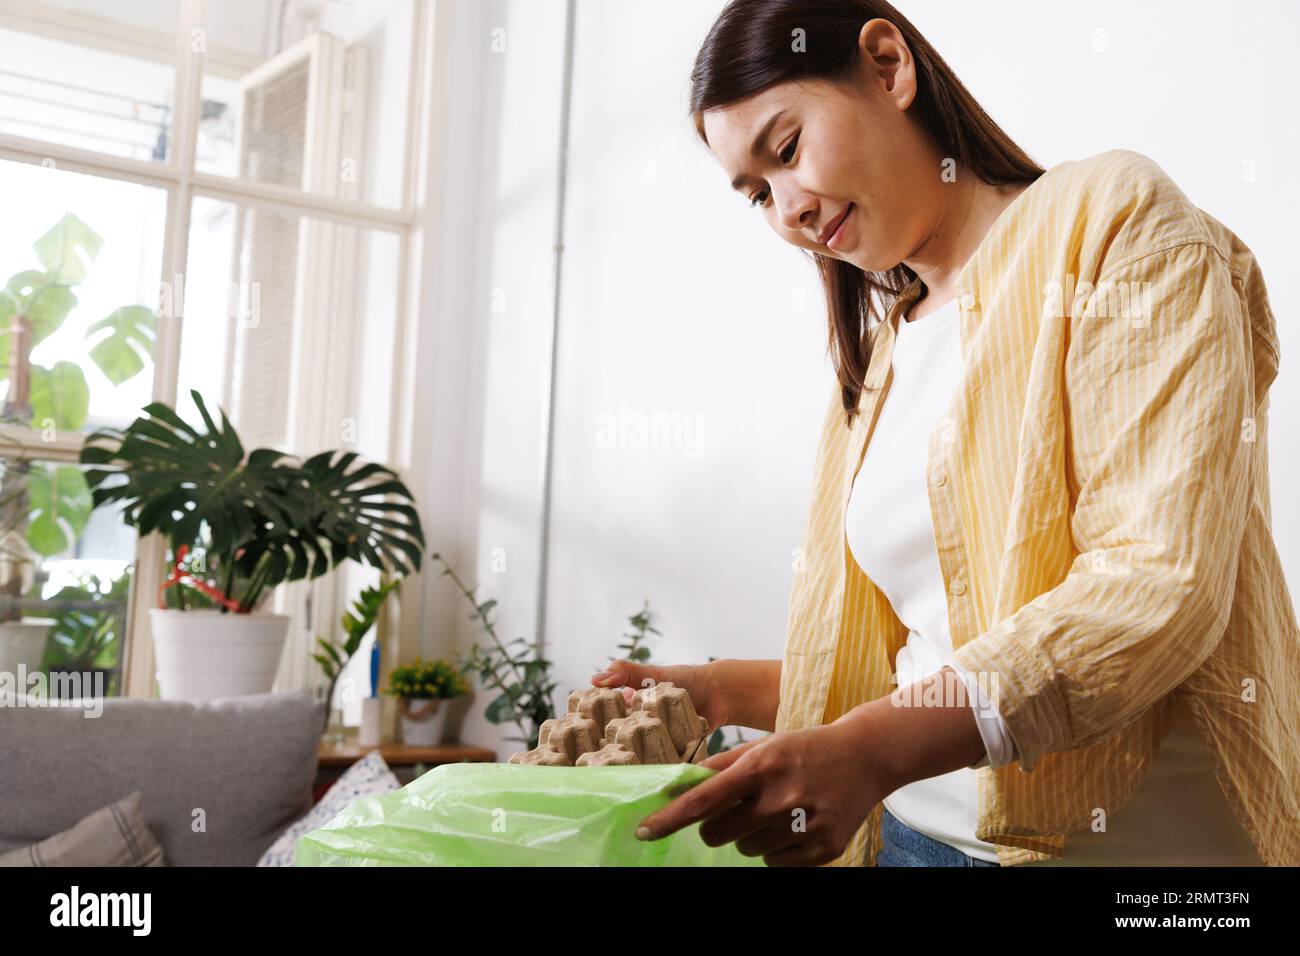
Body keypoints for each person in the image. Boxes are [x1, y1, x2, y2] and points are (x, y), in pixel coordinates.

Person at [588, 0, 1297, 868]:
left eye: (785, 149)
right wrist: (720, 691)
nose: (788, 211)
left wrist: (870, 750)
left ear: (888, 66)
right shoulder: (885, 354)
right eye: (757, 193)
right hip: (914, 841)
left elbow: (1154, 588)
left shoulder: (1114, 222)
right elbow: (924, 664)